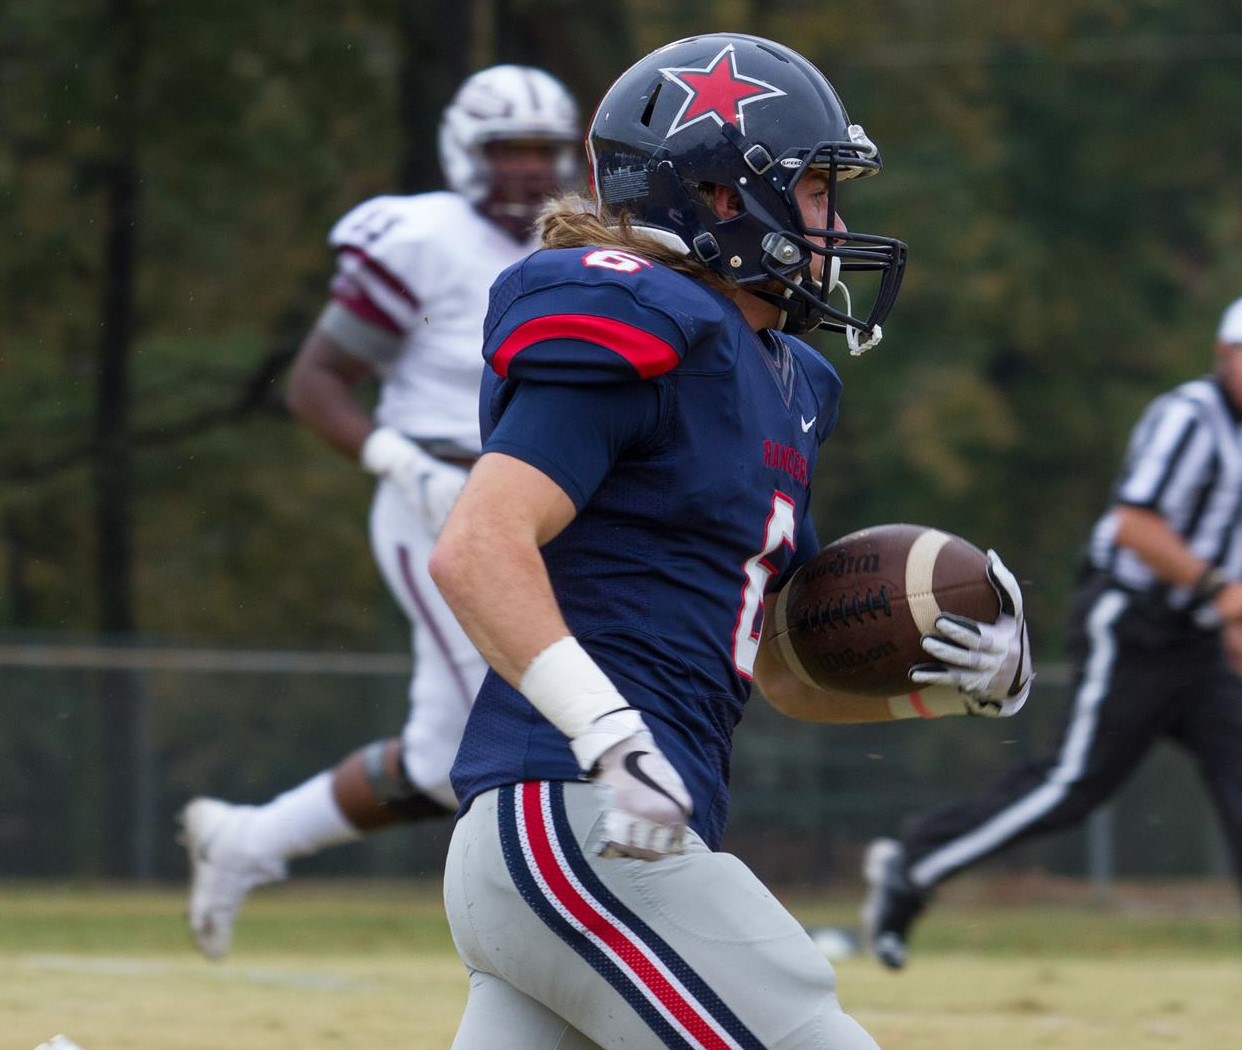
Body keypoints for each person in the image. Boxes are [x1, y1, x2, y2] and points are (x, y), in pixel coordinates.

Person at [427, 33, 1033, 1049]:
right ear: (717, 197)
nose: (836, 223)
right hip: (574, 820)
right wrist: (608, 735)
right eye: (811, 190)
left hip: (605, 831)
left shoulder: (789, 379)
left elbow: (773, 660)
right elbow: (476, 548)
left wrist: (954, 670)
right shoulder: (635, 306)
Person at [861, 291, 1242, 1016]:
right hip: (1132, 626)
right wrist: (1217, 588)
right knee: (1074, 786)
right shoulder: (1187, 416)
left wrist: (1224, 619)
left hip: (1193, 640)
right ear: (1227, 354)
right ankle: (916, 862)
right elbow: (1132, 524)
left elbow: (1216, 544)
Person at [178, 65, 582, 961]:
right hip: (437, 504)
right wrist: (398, 459)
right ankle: (567, 919)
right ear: (462, 153)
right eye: (505, 151)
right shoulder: (421, 238)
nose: (525, 171)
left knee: (446, 757)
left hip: (540, 500)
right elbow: (318, 381)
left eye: (540, 151)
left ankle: (247, 842)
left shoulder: (580, 240)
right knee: (525, 706)